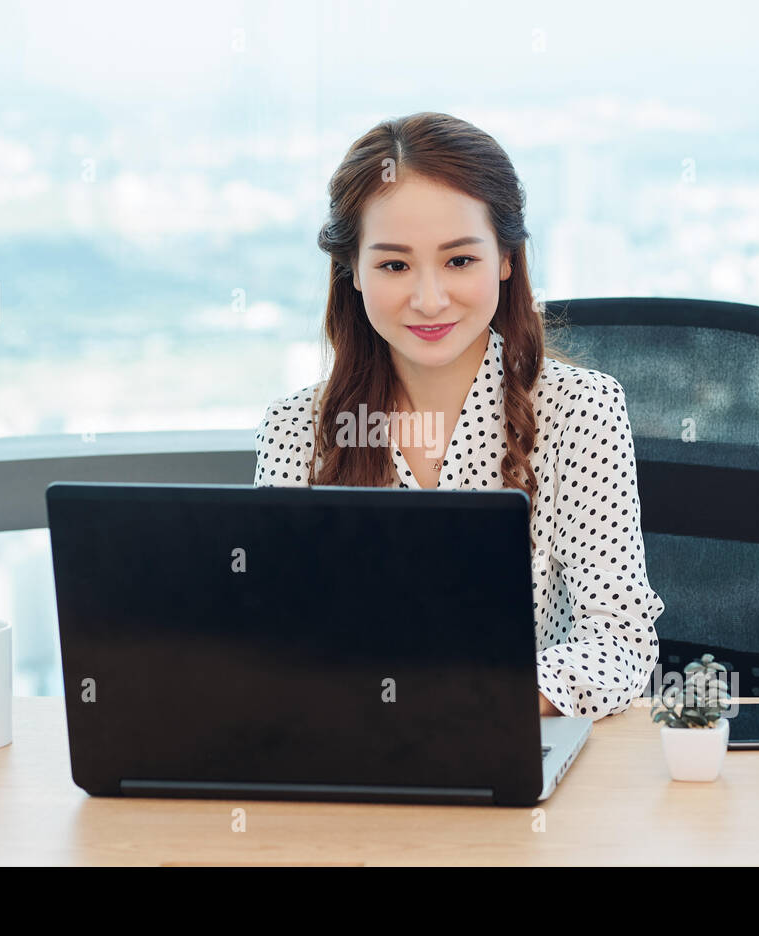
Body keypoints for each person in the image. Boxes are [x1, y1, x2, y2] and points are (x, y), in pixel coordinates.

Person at [254, 111, 663, 720]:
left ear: (505, 258)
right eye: (394, 265)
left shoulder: (580, 410)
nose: (429, 299)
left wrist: (465, 697)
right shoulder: (296, 429)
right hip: (351, 756)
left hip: (517, 745)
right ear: (353, 271)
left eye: (459, 261)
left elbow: (620, 644)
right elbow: (275, 646)